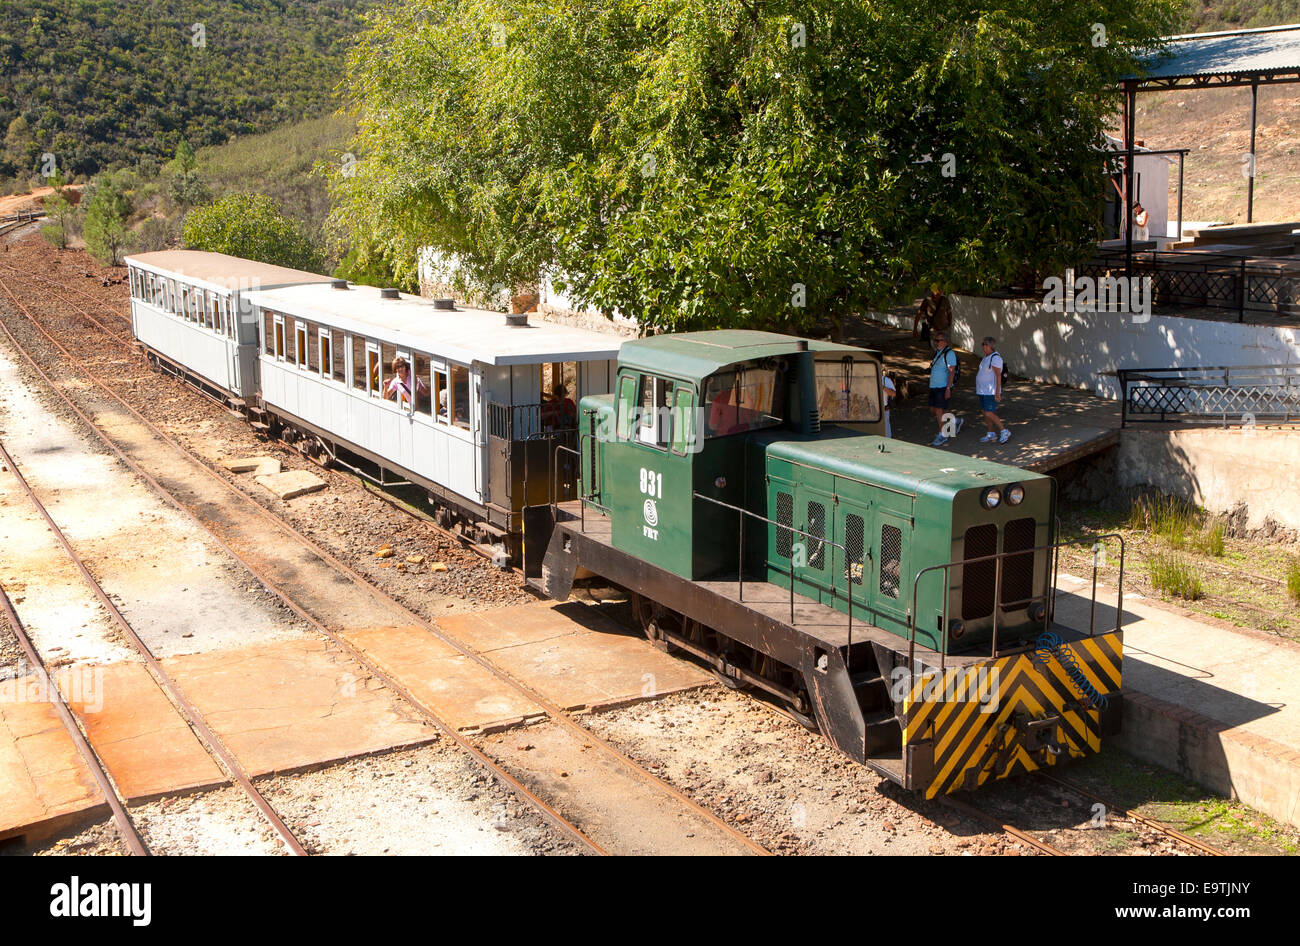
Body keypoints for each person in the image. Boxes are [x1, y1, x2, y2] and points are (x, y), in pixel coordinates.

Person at [928, 331, 962, 447]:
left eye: (938, 340)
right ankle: (954, 421)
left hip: (942, 386)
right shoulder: (938, 353)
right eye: (936, 340)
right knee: (934, 410)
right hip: (934, 386)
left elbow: (952, 372)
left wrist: (948, 388)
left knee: (939, 410)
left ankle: (942, 434)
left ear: (945, 342)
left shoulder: (949, 353)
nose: (936, 342)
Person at [976, 336, 1010, 444]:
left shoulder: (995, 358)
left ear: (989, 346)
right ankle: (991, 433)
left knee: (989, 412)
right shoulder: (986, 357)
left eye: (984, 344)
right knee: (984, 412)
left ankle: (1004, 431)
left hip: (990, 391)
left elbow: (998, 375)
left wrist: (997, 392)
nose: (982, 346)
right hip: (982, 391)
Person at [882, 372, 896, 439]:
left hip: (884, 410)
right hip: (870, 410)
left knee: (887, 434)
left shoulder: (885, 380)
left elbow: (893, 394)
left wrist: (883, 387)